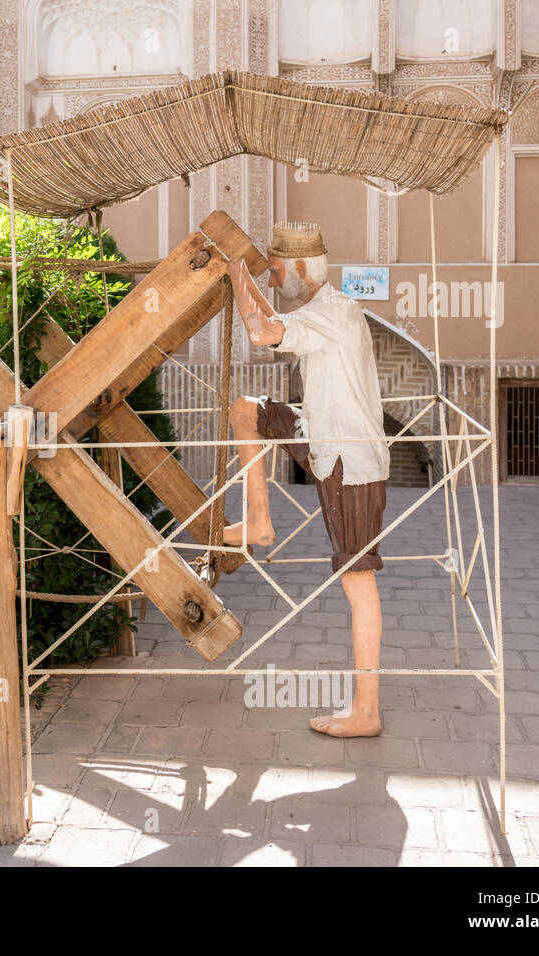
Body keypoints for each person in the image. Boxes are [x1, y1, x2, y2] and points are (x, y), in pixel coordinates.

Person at [225, 221, 390, 738]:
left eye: (275, 270)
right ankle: (259, 522)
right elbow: (270, 318)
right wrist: (245, 275)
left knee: (357, 580)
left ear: (299, 268)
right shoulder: (323, 310)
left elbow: (261, 330)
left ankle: (366, 711)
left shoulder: (332, 312)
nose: (271, 279)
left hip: (351, 461)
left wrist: (234, 273)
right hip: (321, 438)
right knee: (245, 410)